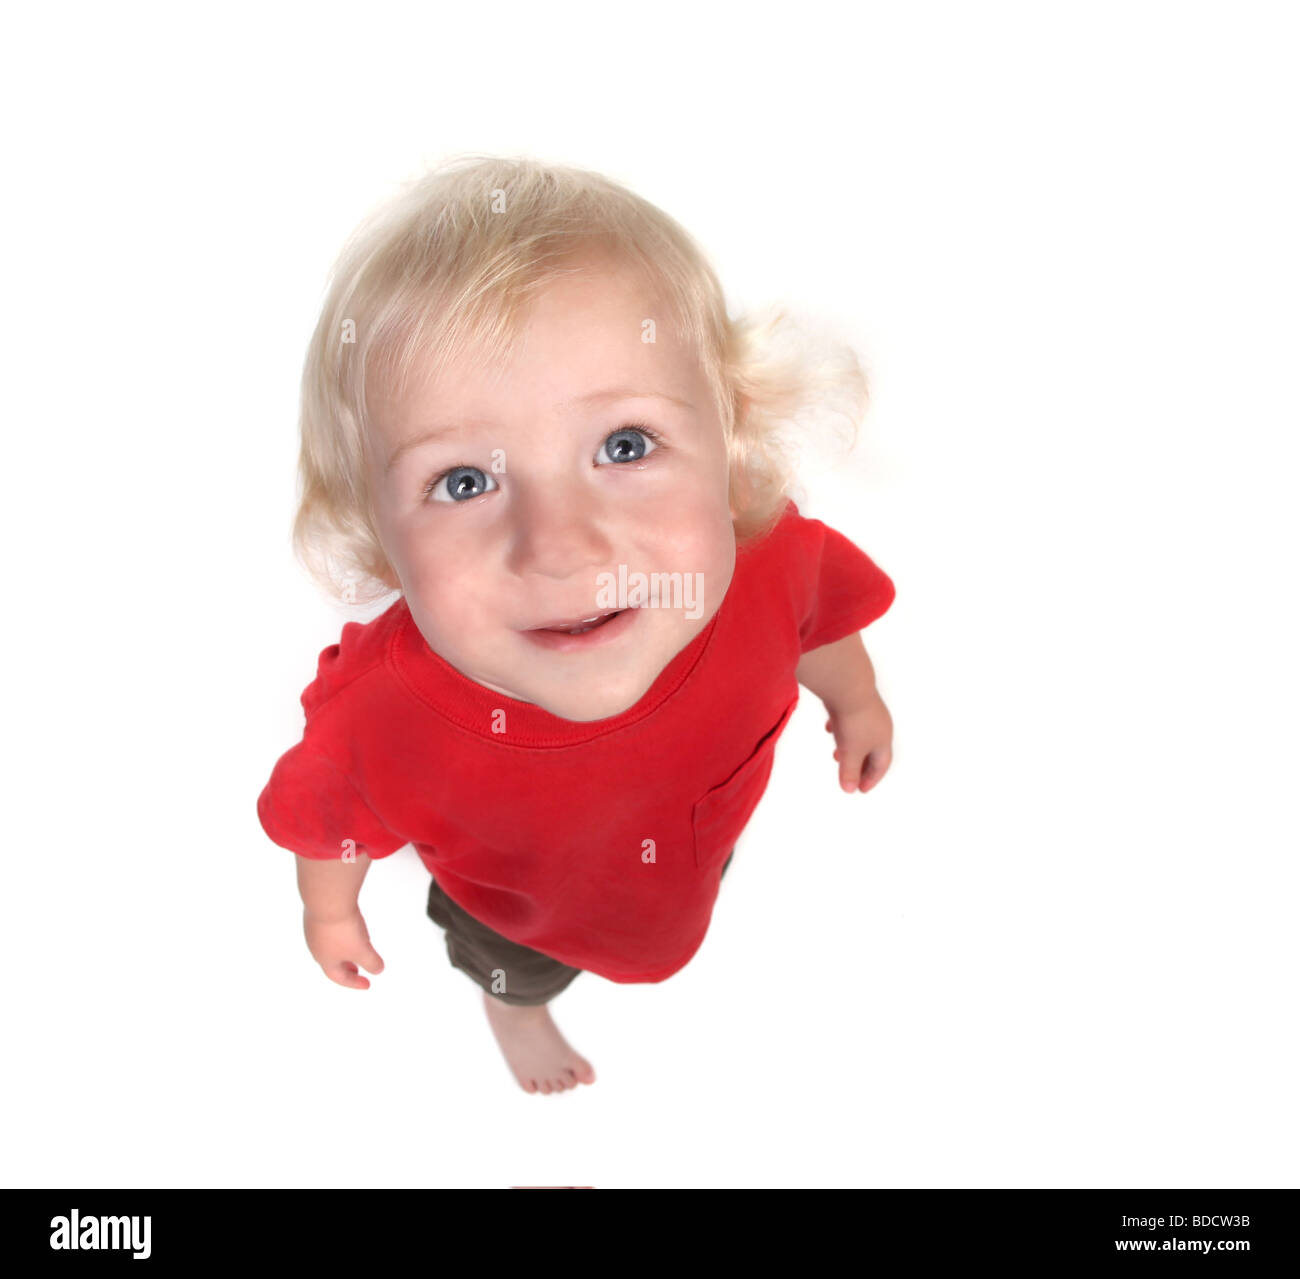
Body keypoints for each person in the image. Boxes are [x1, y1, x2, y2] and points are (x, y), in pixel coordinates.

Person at [257, 154, 897, 1095]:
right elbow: (329, 822)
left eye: (625, 445)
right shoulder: (379, 713)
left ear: (733, 446)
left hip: (684, 847)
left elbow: (818, 619)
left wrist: (858, 698)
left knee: (688, 868)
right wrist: (330, 914)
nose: (559, 548)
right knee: (512, 966)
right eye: (463, 481)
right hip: (512, 915)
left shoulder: (770, 556)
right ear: (379, 534)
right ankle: (516, 1012)